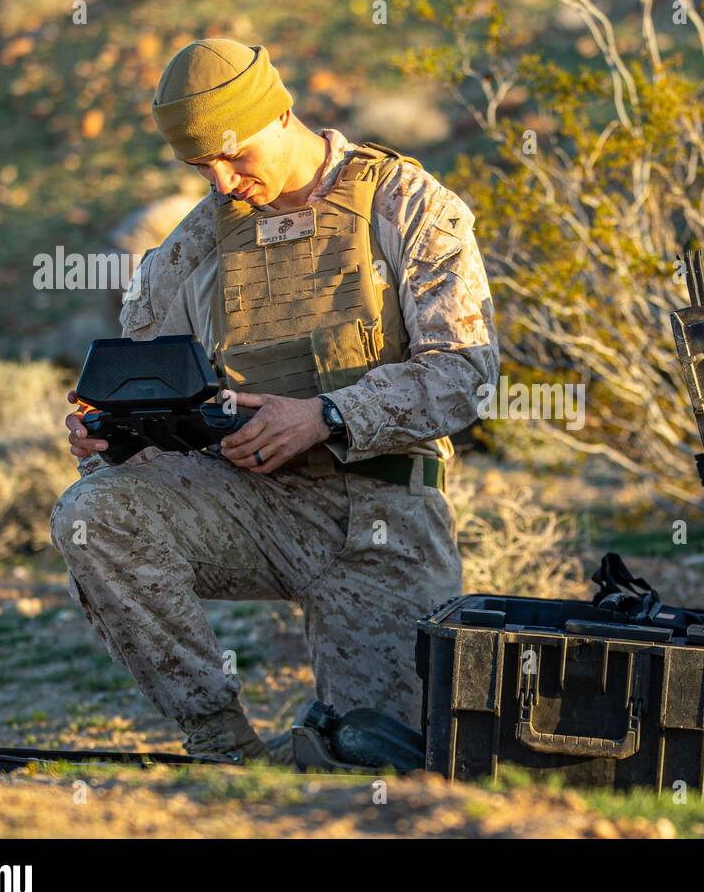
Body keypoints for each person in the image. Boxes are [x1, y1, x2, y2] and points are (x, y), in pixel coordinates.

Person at [50, 38, 499, 764]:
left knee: (387, 758)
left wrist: (326, 415)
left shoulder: (406, 204)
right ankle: (222, 747)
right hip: (250, 506)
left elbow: (467, 374)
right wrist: (113, 432)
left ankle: (321, 754)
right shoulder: (198, 244)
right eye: (201, 167)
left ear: (280, 115)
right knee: (94, 510)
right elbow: (142, 373)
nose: (223, 182)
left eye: (235, 158)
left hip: (383, 518)